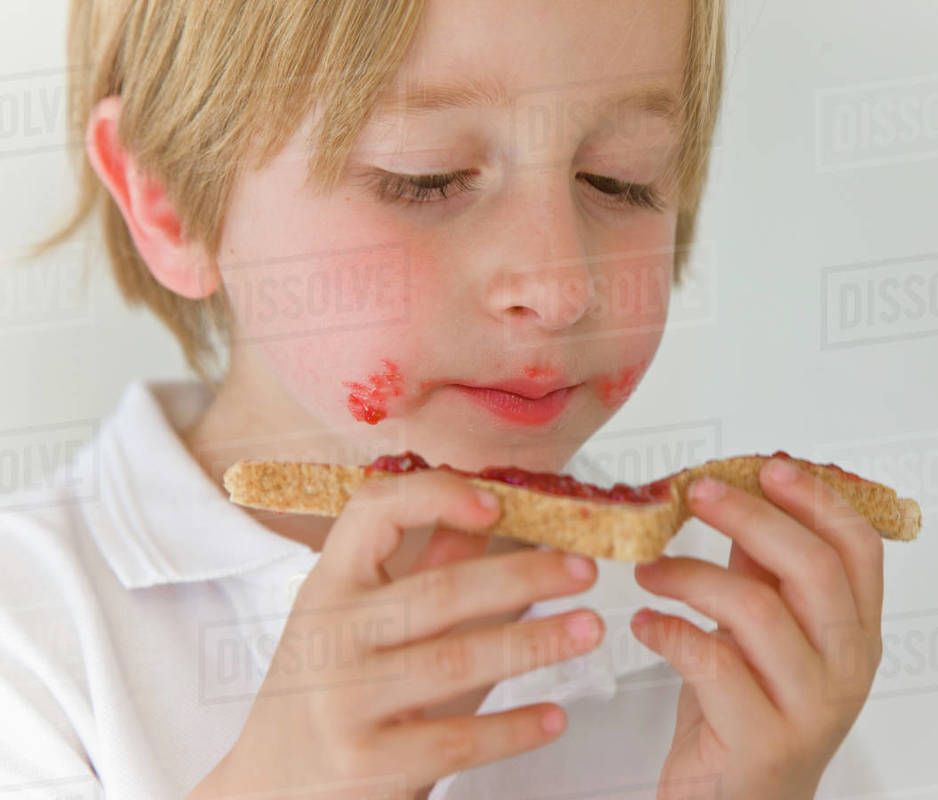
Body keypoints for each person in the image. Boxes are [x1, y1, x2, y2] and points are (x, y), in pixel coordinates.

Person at [3, 1, 885, 797]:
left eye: (620, 179)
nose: (558, 286)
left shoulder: (720, 638)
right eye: (425, 177)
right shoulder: (32, 639)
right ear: (167, 200)